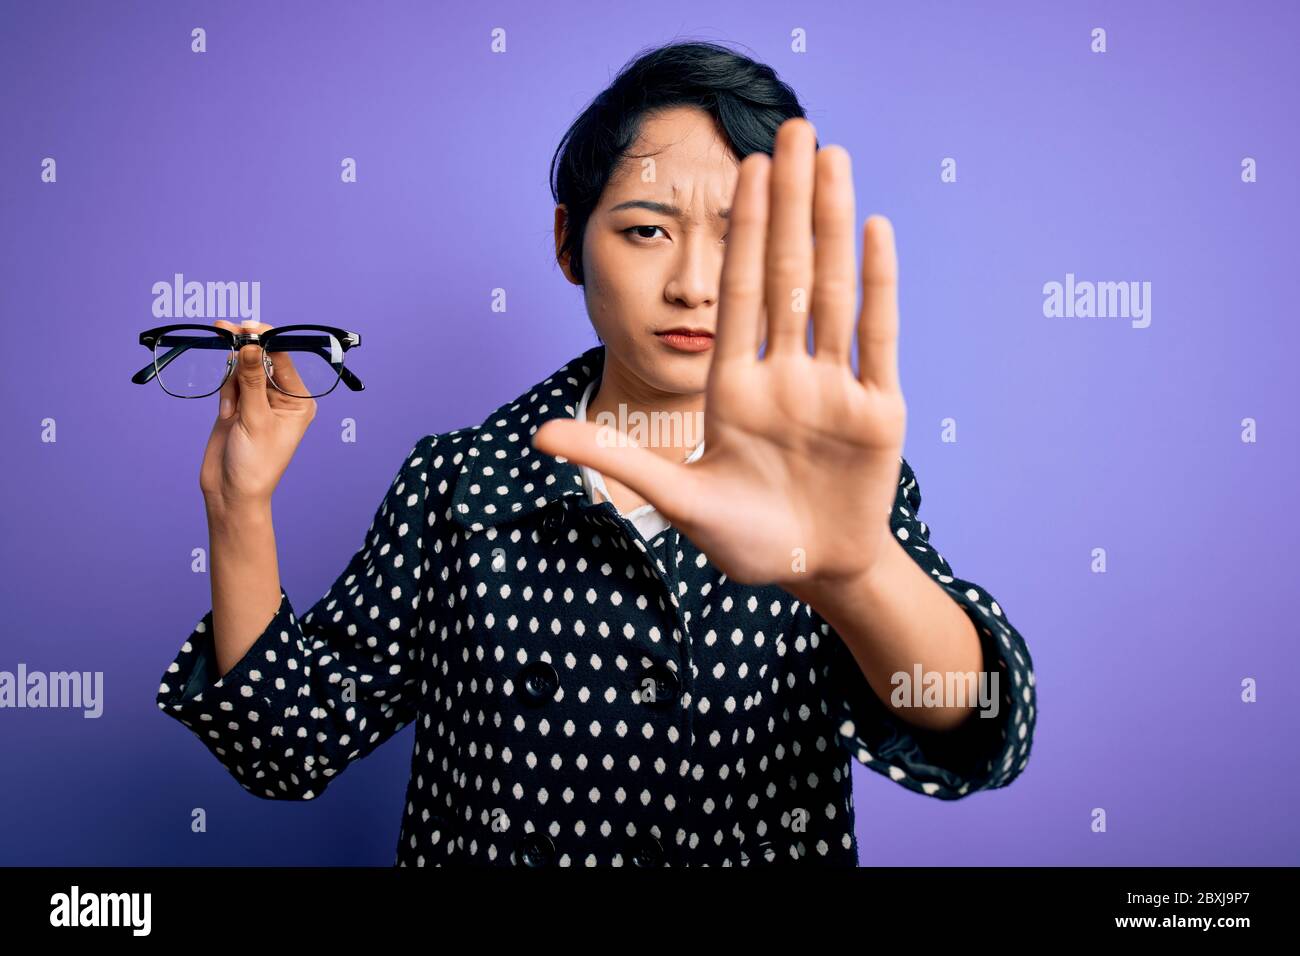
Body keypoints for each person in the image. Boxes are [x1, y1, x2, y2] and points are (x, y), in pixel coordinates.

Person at [156, 40, 1036, 867]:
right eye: (646, 230)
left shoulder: (834, 483)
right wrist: (240, 507)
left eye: (741, 237)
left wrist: (852, 571)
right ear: (567, 243)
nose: (694, 283)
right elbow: (284, 747)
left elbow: (976, 732)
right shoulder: (456, 482)